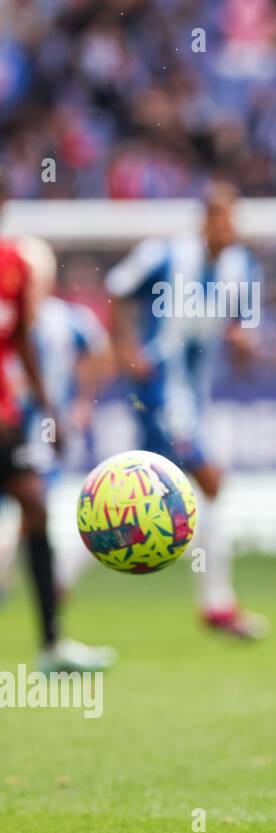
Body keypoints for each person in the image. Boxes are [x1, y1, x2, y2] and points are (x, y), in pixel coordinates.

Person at [105, 181, 268, 639]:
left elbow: (243, 325)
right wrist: (126, 348)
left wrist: (242, 341)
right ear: (204, 222)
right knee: (210, 480)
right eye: (218, 218)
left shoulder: (242, 267)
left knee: (132, 484)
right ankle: (217, 605)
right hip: (159, 389)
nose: (225, 227)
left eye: (231, 219)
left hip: (194, 397)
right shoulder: (165, 256)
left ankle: (59, 578)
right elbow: (117, 288)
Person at [0, 184, 115, 671]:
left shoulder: (16, 264)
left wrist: (50, 409)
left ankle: (52, 646)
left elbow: (20, 337)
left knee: (35, 504)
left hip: (4, 413)